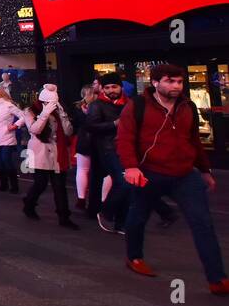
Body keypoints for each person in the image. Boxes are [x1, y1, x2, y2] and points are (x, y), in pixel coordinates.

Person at [118, 63, 228, 294]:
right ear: (155, 83)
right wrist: (131, 167)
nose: (176, 86)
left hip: (185, 174)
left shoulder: (187, 106)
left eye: (179, 81)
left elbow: (194, 141)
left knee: (203, 224)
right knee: (138, 217)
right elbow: (125, 138)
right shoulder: (137, 106)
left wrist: (205, 170)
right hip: (149, 172)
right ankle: (134, 256)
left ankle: (217, 278)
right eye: (170, 81)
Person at [21, 85, 78, 229]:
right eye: (47, 102)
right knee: (40, 183)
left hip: (58, 152)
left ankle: (64, 217)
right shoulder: (30, 110)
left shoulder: (59, 112)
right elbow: (34, 129)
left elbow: (68, 132)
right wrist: (44, 113)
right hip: (39, 151)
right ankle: (29, 204)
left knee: (59, 186)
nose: (50, 105)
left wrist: (63, 115)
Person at [86, 73, 132, 233]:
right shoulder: (97, 105)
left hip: (128, 149)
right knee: (123, 182)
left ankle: (121, 222)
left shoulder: (130, 104)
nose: (111, 90)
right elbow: (91, 126)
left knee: (128, 184)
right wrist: (114, 124)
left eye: (114, 86)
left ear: (121, 87)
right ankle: (106, 212)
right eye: (107, 87)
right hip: (108, 149)